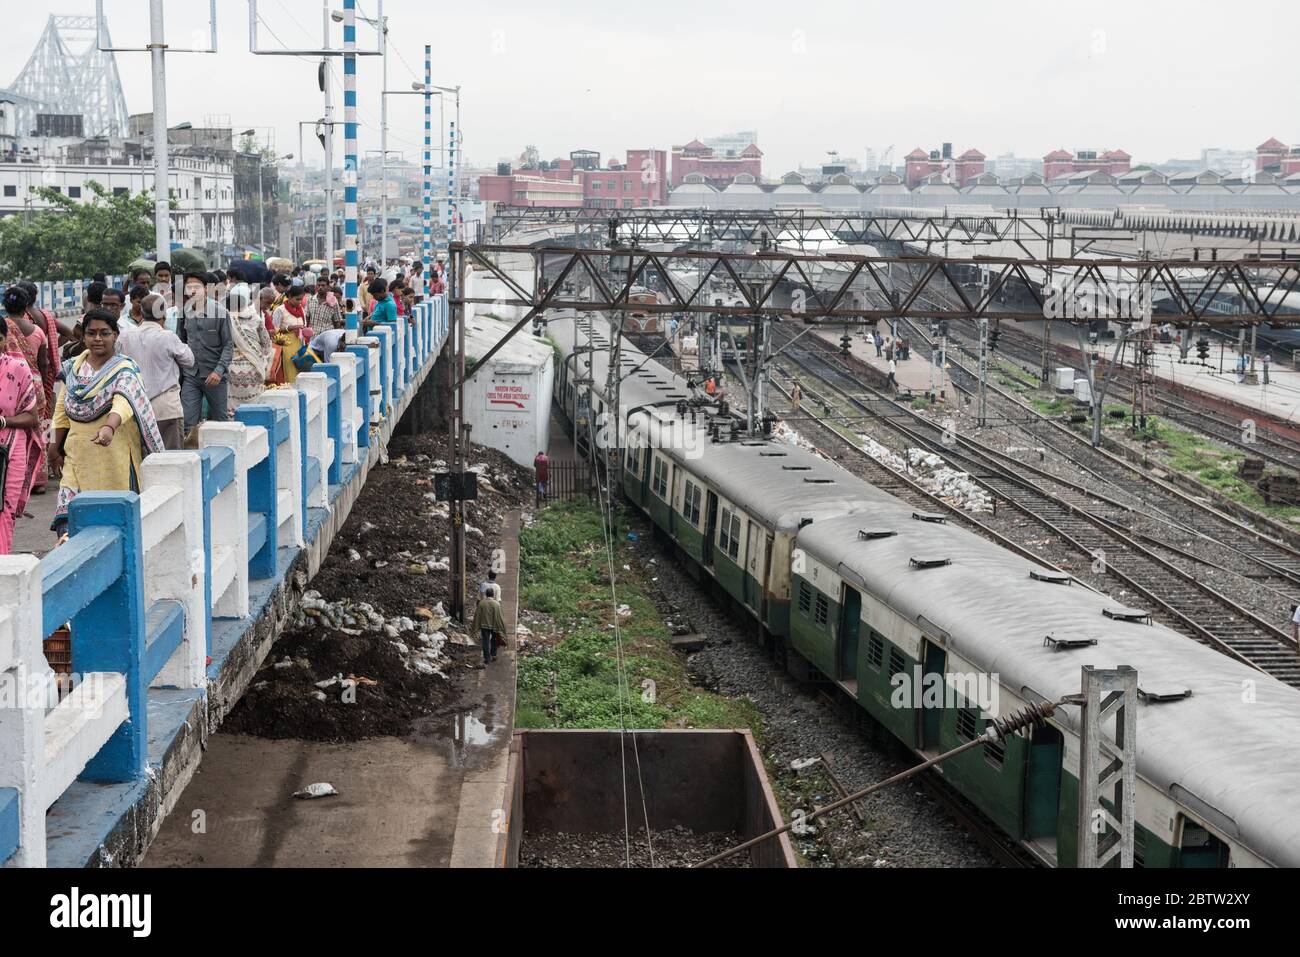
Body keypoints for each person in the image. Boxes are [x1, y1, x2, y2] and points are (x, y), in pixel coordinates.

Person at [48, 309, 165, 536]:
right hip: (77, 457)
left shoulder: (125, 369)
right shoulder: (73, 368)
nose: (98, 339)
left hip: (115, 457)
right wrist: (53, 447)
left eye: (105, 333)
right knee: (69, 525)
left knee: (116, 525)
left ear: (115, 335)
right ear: (84, 337)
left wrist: (109, 426)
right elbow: (60, 412)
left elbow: (124, 402)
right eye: (92, 333)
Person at [117, 293, 194, 450]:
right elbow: (189, 361)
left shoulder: (124, 336)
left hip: (135, 408)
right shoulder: (167, 336)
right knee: (171, 461)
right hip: (166, 410)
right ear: (163, 314)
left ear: (142, 312)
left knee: (142, 462)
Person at [0, 323, 42, 553]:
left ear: (5, 340)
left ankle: (3, 563)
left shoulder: (16, 368)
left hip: (10, 449)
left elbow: (32, 416)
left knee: (4, 507)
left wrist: (4, 422)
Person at [178, 272, 234, 437]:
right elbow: (181, 343)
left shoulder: (220, 312)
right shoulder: (184, 312)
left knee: (221, 421)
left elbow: (229, 346)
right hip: (191, 376)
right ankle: (192, 458)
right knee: (188, 423)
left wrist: (218, 371)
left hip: (215, 376)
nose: (193, 291)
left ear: (205, 289)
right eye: (189, 287)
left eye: (197, 287)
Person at [226, 284, 274, 417]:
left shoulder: (227, 319)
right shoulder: (256, 319)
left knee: (233, 412)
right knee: (254, 409)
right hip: (254, 368)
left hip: (231, 370)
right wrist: (261, 359)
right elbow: (266, 344)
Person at [272, 284, 309, 385]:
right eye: (297, 299)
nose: (300, 302)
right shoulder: (280, 310)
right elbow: (274, 331)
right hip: (286, 347)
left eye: (301, 299)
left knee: (301, 373)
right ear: (289, 297)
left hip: (299, 346)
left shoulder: (301, 310)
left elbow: (304, 325)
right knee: (290, 374)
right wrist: (290, 328)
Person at [470, 583, 507, 665]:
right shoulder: (496, 604)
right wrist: (501, 626)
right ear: (493, 595)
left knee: (485, 641)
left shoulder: (481, 603)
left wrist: (476, 624)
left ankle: (487, 659)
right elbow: (499, 616)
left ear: (486, 594)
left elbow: (477, 615)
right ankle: (493, 655)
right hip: (494, 625)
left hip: (484, 625)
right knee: (494, 640)